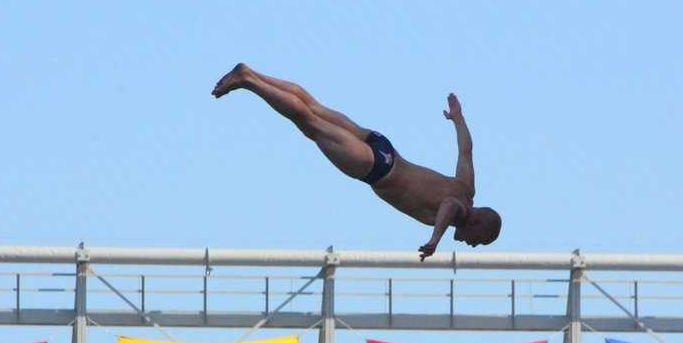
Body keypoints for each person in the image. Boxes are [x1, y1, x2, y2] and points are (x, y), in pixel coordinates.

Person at [212, 63, 501, 260]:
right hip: (376, 168)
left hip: (384, 148)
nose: (473, 244)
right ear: (478, 222)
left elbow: (466, 151)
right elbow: (449, 205)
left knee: (314, 108)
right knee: (309, 122)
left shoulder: (467, 188)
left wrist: (458, 119)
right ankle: (250, 82)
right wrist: (435, 240)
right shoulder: (459, 211)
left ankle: (250, 73)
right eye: (479, 240)